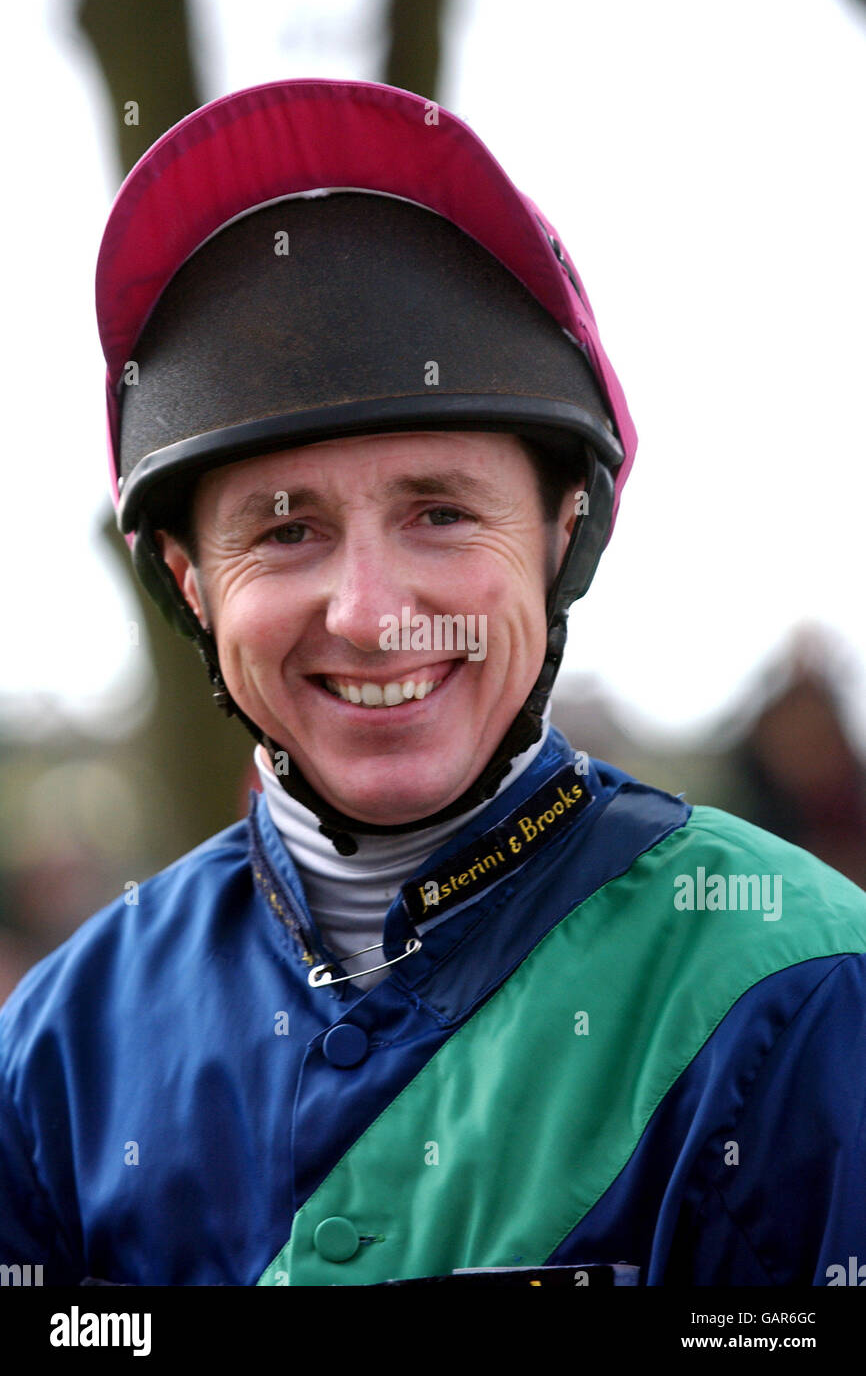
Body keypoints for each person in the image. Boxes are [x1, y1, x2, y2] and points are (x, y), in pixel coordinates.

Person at [1, 78, 864, 1289]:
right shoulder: (55, 1052)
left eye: (440, 511)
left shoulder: (804, 987)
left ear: (564, 533)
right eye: (285, 529)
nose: (369, 611)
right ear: (190, 584)